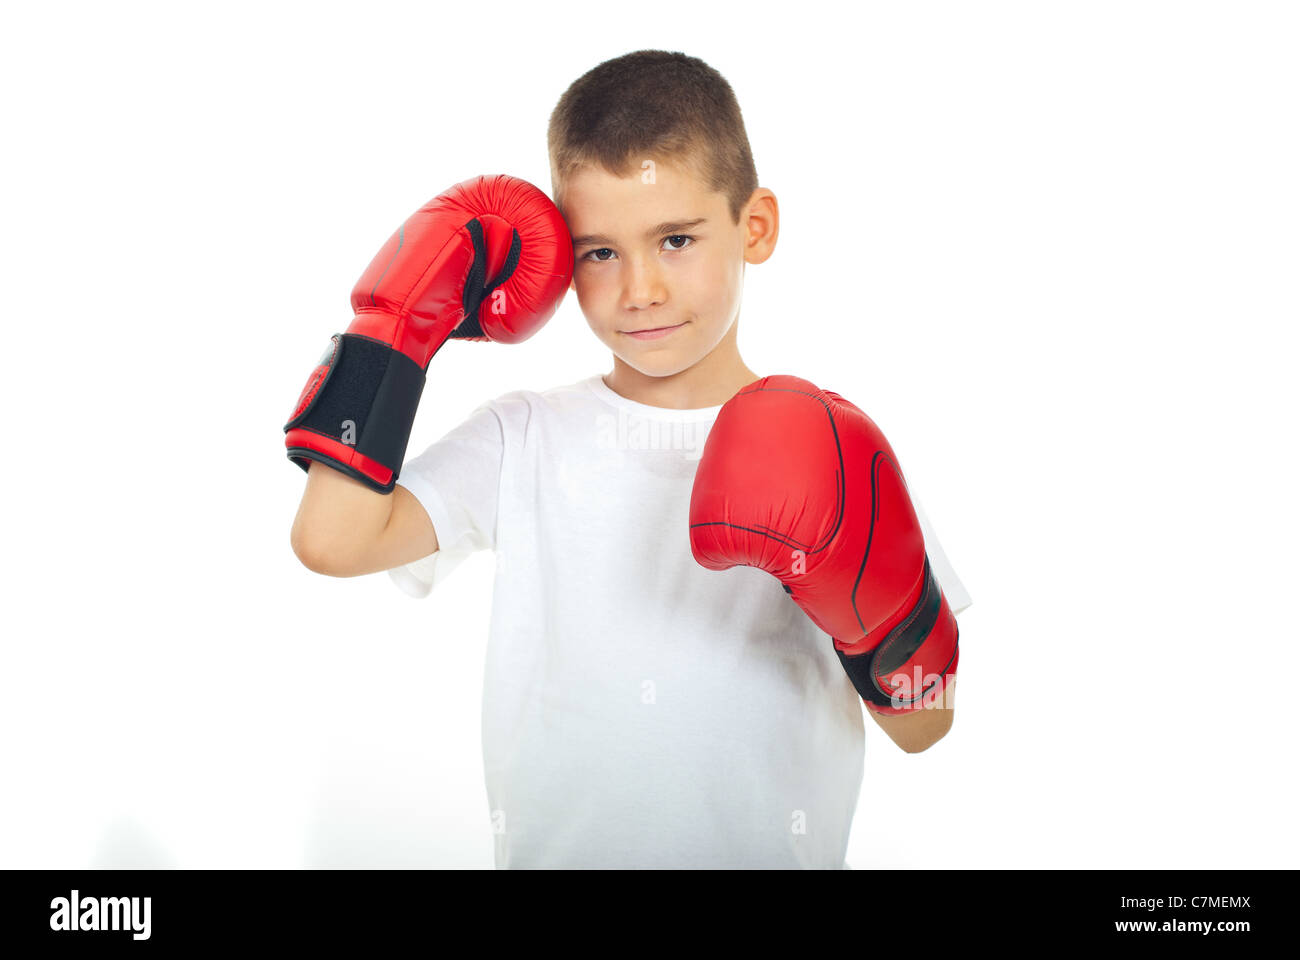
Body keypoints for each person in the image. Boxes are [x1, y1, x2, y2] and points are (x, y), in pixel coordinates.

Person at [288, 49, 971, 869]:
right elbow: (332, 541)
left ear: (755, 227)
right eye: (598, 253)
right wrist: (395, 327)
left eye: (675, 239)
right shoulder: (524, 438)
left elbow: (926, 724)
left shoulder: (832, 445)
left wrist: (875, 614)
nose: (638, 288)